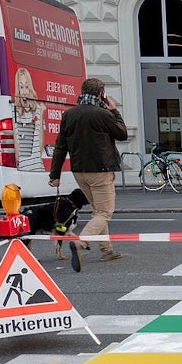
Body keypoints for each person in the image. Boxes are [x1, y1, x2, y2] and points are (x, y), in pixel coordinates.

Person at [49, 77, 128, 263]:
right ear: (101, 94)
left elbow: (60, 146)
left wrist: (55, 174)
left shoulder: (69, 115)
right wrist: (114, 110)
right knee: (105, 213)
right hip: (100, 170)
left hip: (79, 171)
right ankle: (81, 242)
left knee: (97, 210)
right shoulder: (103, 114)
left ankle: (106, 250)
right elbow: (122, 134)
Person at [12, 66, 48, 173]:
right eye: (21, 87)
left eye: (27, 87)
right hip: (22, 170)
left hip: (38, 169)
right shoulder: (13, 111)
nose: (24, 92)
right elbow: (17, 154)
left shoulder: (38, 109)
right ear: (18, 90)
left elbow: (40, 149)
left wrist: (40, 116)